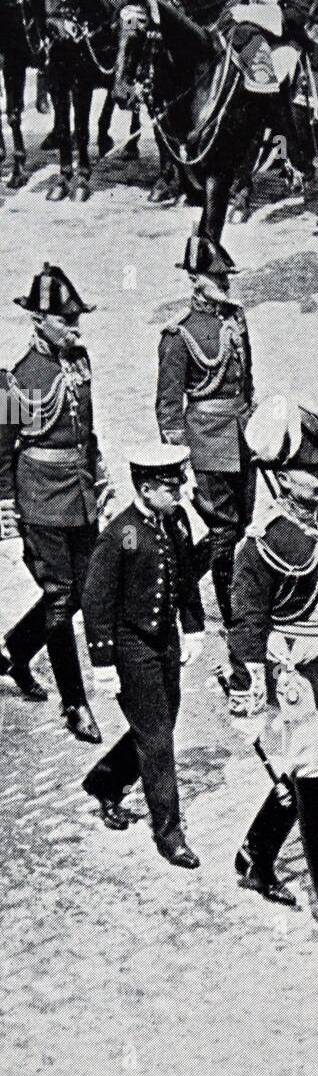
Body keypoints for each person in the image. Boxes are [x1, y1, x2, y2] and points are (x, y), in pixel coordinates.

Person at [227, 393, 318, 958]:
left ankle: (256, 854)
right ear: (280, 476)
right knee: (317, 785)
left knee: (304, 769)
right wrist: (248, 694)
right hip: (299, 676)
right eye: (310, 470)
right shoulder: (264, 541)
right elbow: (246, 623)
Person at [0, 264, 113, 742]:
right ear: (38, 320)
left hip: (79, 492)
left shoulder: (79, 362)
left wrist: (100, 476)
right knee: (62, 596)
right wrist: (8, 512)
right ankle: (74, 703)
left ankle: (15, 650)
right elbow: (2, 451)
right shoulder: (13, 382)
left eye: (76, 320)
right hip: (40, 499)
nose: (75, 329)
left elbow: (87, 428)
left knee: (83, 590)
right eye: (66, 321)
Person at [81, 445, 204, 869]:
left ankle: (106, 781)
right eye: (171, 488)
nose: (180, 493)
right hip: (131, 646)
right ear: (147, 489)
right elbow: (96, 600)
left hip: (164, 640)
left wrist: (193, 626)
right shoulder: (124, 533)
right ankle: (169, 833)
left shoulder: (176, 520)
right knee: (157, 739)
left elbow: (186, 577)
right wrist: (103, 663)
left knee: (160, 723)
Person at [156, 231, 255, 629]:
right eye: (217, 277)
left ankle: (183, 581)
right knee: (224, 528)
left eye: (226, 276)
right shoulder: (179, 334)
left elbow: (247, 380)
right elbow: (168, 406)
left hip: (241, 435)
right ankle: (232, 614)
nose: (225, 283)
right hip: (206, 441)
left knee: (239, 524)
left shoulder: (235, 319)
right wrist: (180, 460)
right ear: (195, 279)